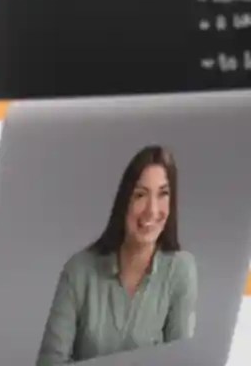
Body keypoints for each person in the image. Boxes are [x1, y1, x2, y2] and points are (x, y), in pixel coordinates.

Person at [35, 145, 196, 365]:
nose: (152, 210)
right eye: (140, 195)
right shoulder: (79, 271)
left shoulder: (180, 270)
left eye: (163, 194)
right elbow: (49, 362)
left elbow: (182, 362)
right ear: (123, 201)